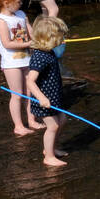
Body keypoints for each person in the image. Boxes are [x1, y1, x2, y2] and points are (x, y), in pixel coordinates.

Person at [0, 0, 39, 136]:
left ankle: (32, 120)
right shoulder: (1, 20)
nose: (21, 3)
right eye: (18, 1)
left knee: (30, 92)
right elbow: (7, 43)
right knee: (17, 94)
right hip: (12, 64)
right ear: (6, 3)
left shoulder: (21, 15)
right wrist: (29, 43)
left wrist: (41, 41)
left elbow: (31, 32)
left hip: (27, 60)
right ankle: (18, 126)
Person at [26, 15, 69, 166]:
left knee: (62, 120)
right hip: (43, 100)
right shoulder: (40, 57)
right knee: (53, 126)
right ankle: (48, 157)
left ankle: (52, 148)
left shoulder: (49, 52)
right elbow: (30, 81)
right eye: (59, 38)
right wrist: (41, 98)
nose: (62, 41)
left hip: (54, 97)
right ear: (48, 38)